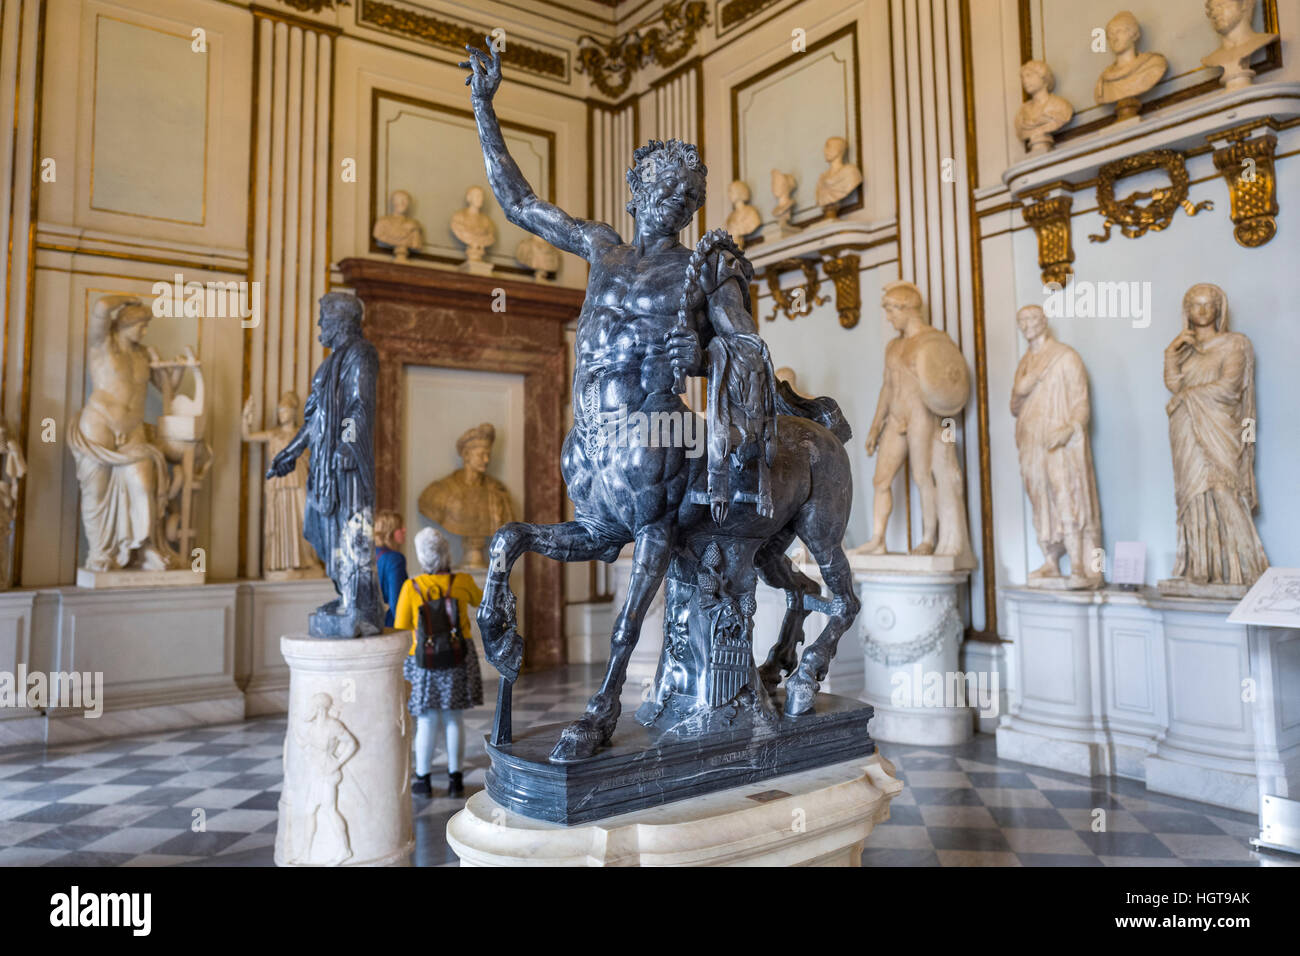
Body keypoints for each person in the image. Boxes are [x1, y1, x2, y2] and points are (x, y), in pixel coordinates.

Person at [394, 526, 484, 797]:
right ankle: (456, 780)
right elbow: (482, 602)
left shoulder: (411, 587)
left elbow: (401, 625)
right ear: (446, 553)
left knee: (427, 720)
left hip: (423, 659)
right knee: (454, 718)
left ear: (423, 557)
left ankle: (423, 779)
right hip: (458, 655)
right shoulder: (463, 581)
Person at [373, 510, 407, 628]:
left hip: (372, 623)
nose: (404, 530)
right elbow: (397, 602)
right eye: (400, 528)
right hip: (390, 625)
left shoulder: (371, 555)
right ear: (389, 532)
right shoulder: (395, 559)